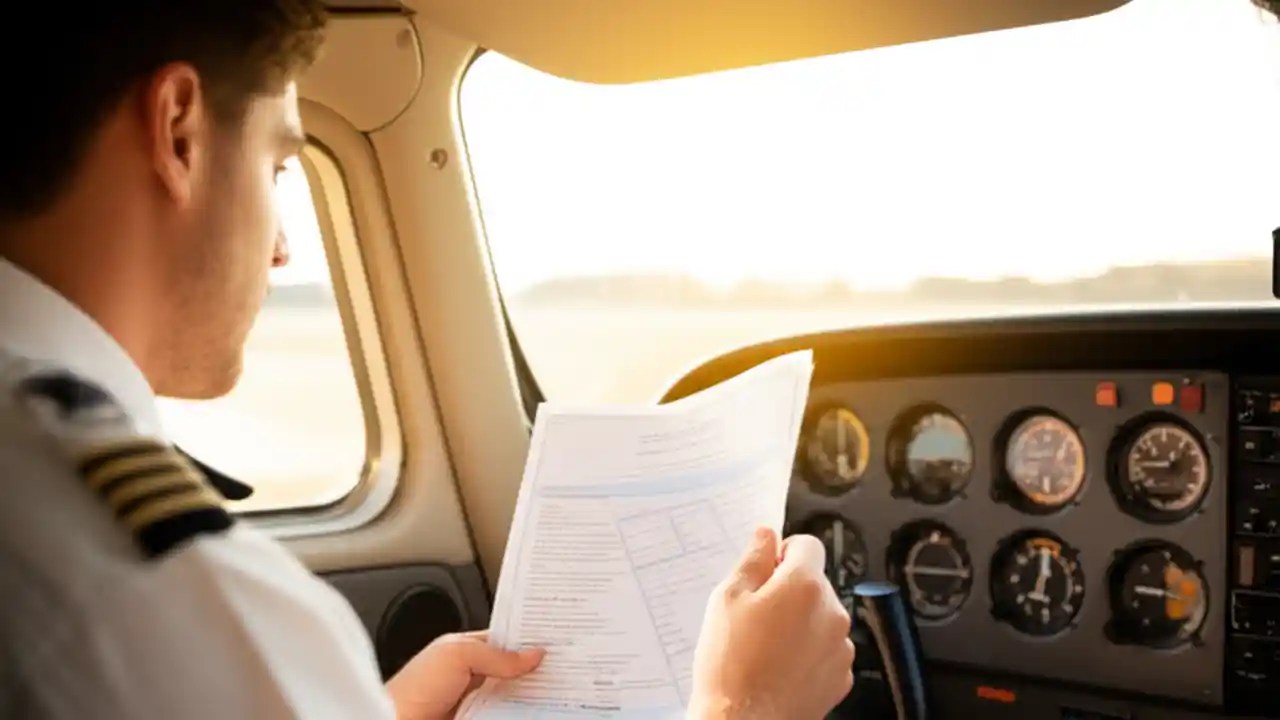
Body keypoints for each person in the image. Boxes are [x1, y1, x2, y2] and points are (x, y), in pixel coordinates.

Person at [0, 2, 854, 718]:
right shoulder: (155, 592)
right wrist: (746, 707)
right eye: (279, 165)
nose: (281, 248)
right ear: (179, 132)